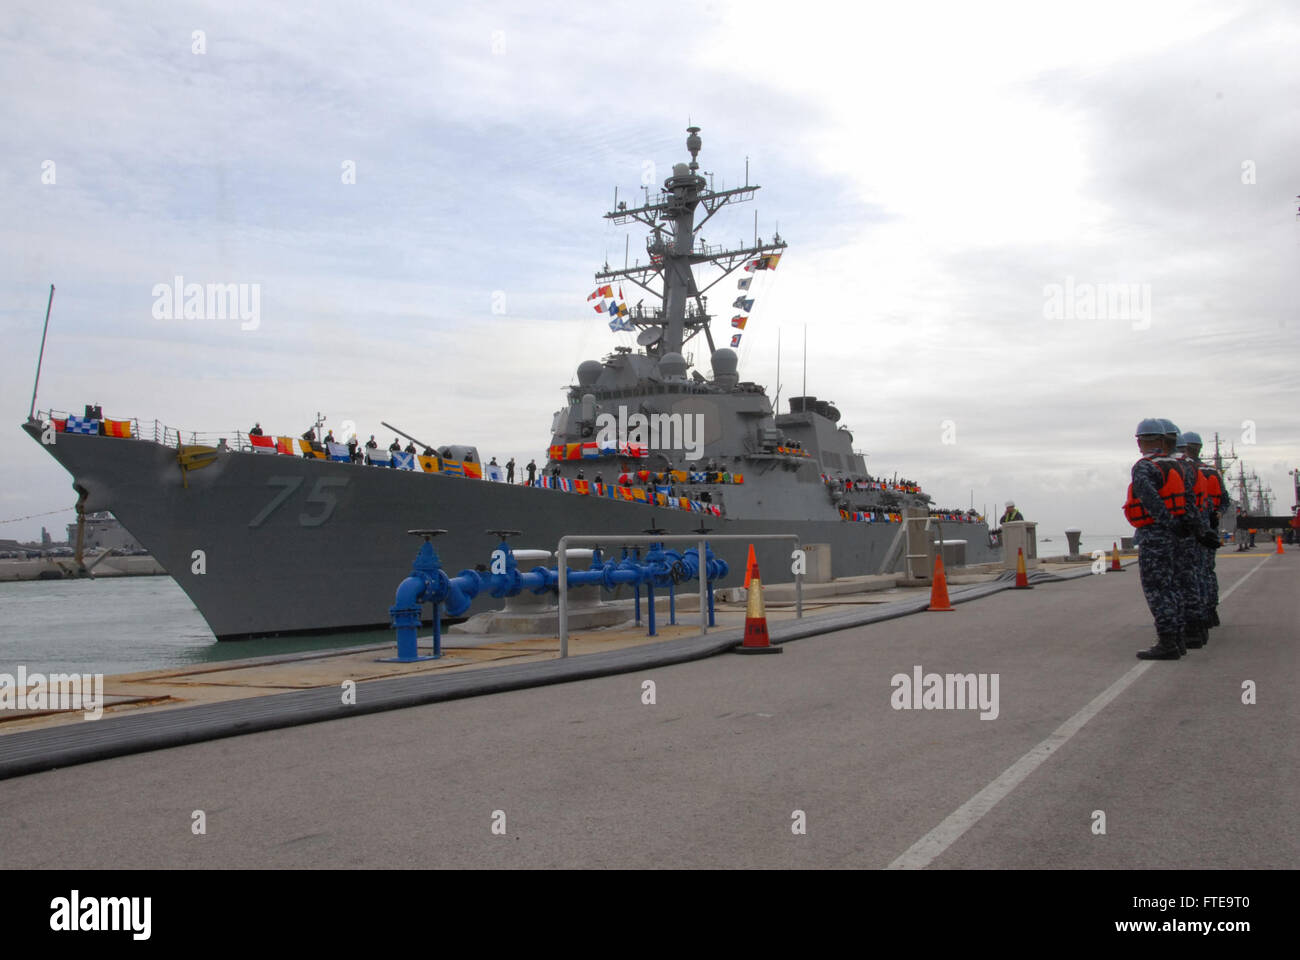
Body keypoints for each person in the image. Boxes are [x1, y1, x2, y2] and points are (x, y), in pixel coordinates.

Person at [1124, 418, 1188, 659]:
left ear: (1141, 441)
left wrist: (1168, 524)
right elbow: (1188, 500)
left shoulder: (1144, 467)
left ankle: (1168, 642)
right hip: (1178, 536)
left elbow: (1151, 501)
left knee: (1157, 590)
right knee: (1174, 587)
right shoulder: (1176, 466)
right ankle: (1178, 638)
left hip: (1155, 535)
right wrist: (1185, 526)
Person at [1181, 431, 1227, 637]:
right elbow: (1222, 500)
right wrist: (1215, 514)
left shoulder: (1184, 469)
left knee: (1192, 572)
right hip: (1210, 528)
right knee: (1207, 571)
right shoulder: (1211, 472)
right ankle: (1210, 611)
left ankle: (1195, 618)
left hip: (1191, 530)